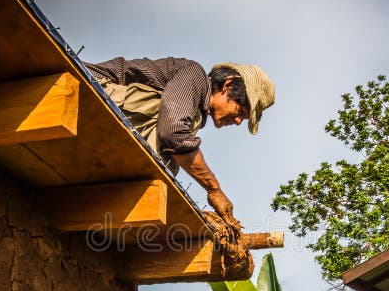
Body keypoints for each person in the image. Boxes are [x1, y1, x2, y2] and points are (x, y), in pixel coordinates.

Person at [85, 57, 275, 229]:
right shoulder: (194, 74)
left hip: (106, 140)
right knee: (177, 134)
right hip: (89, 89)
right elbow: (173, 134)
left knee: (179, 147)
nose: (238, 121)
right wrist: (214, 190)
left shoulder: (196, 114)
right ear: (227, 85)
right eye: (240, 111)